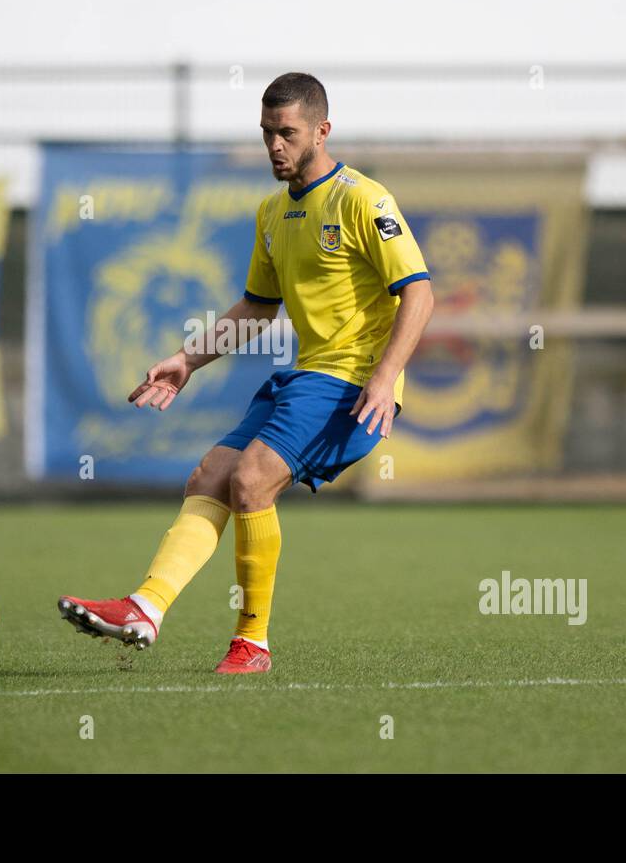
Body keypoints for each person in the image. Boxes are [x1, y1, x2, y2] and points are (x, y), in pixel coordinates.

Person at [58, 72, 434, 673]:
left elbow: (418, 293)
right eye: (266, 134)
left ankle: (250, 643)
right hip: (305, 375)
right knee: (211, 474)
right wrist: (188, 360)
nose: (275, 147)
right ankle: (145, 607)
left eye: (287, 133)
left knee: (252, 478)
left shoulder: (364, 200)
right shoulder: (270, 213)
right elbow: (259, 307)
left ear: (322, 130)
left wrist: (386, 377)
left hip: (353, 384)